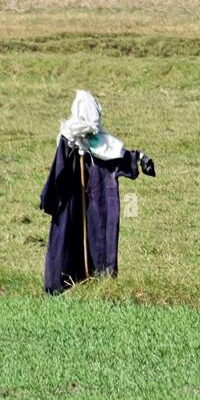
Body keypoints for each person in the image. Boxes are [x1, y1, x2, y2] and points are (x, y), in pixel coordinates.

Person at [39, 90, 155, 294]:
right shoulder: (68, 142)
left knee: (99, 237)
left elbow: (120, 155)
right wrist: (50, 200)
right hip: (71, 203)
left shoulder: (103, 143)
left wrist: (140, 159)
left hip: (99, 201)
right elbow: (56, 174)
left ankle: (97, 280)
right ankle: (67, 283)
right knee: (67, 239)